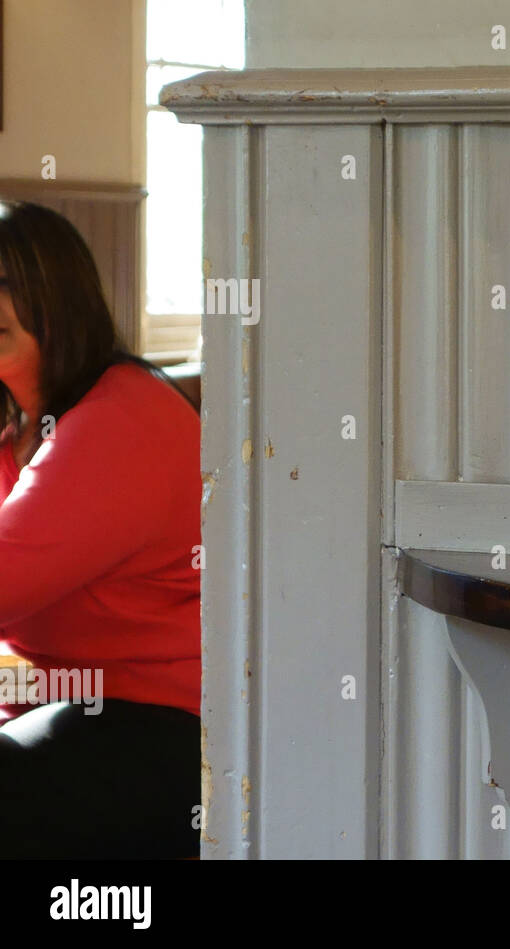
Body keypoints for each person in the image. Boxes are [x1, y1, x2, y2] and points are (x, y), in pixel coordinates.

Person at [0, 201, 201, 858]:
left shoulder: (118, 420)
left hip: (176, 724)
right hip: (69, 691)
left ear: (54, 312)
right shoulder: (23, 421)